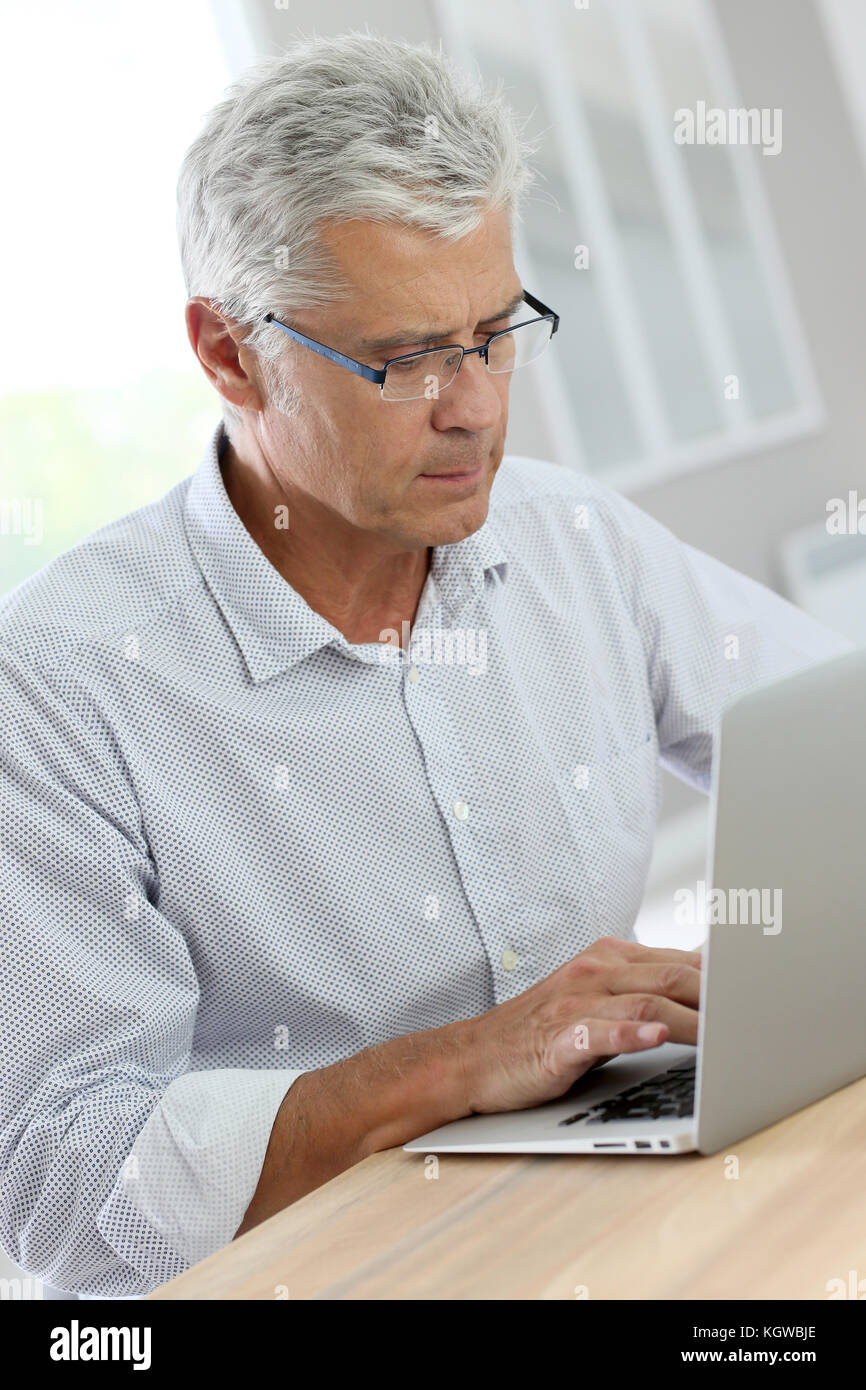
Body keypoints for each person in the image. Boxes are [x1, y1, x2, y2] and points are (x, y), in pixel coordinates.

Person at [0, 33, 849, 1297]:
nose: (477, 408)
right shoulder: (62, 684)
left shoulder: (573, 540)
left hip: (604, 1228)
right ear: (230, 353)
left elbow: (833, 748)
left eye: (495, 332)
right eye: (404, 361)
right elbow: (56, 1185)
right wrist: (455, 1063)